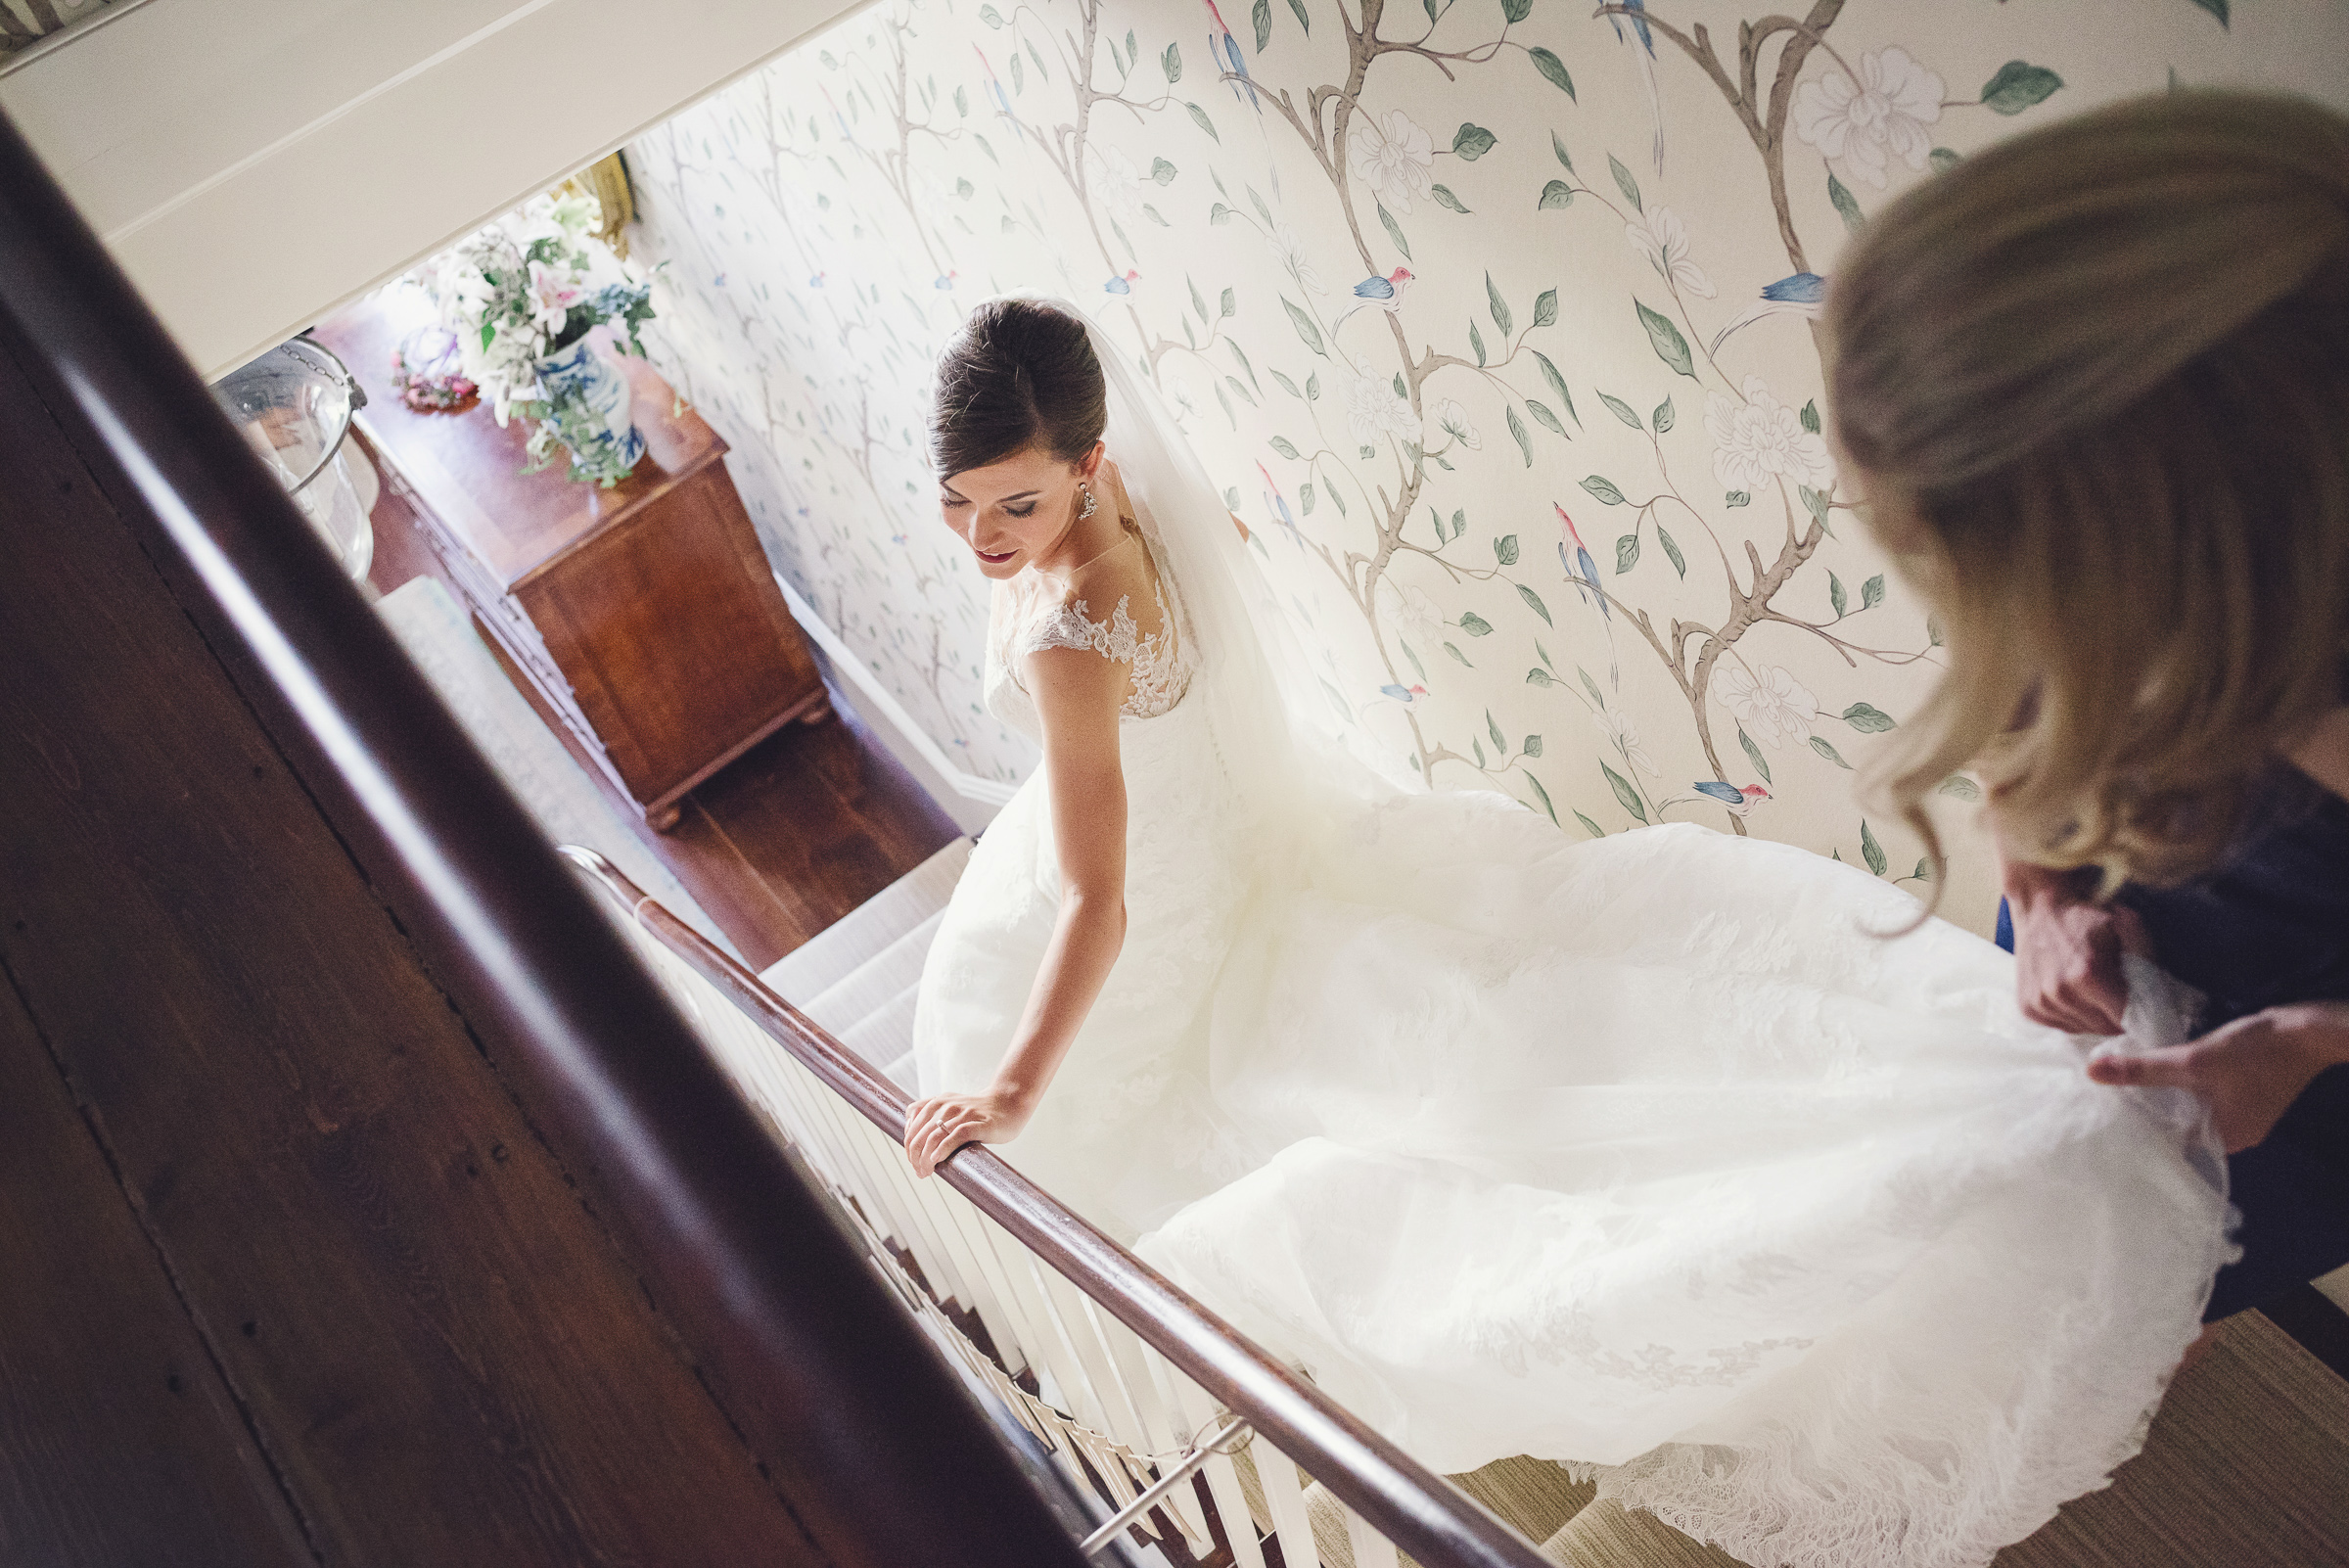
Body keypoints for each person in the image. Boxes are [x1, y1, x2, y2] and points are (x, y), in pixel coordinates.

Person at [898, 293, 2229, 1568]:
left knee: (1292, 1138)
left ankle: (1997, 1153)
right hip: (1221, 854)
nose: (984, 538)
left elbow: (1098, 897)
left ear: (1091, 462)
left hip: (1150, 913)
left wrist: (1010, 1090)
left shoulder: (1073, 632)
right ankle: (2017, 1111)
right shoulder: (1117, 513)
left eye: (1016, 501)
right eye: (958, 505)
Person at [1832, 89, 2349, 1329]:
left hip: (2288, 1081)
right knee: (2052, 1225)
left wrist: (2300, 1045)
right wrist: (2040, 896)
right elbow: (2021, 701)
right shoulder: (2131, 561)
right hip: (2106, 938)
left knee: (2161, 1281)